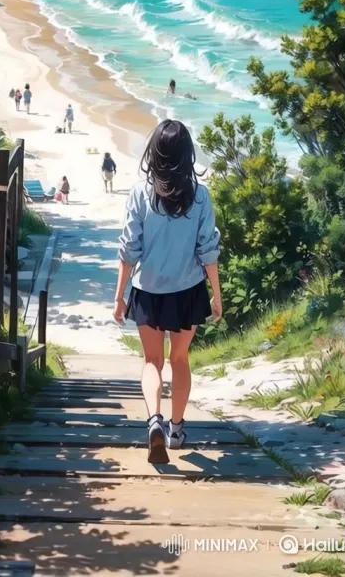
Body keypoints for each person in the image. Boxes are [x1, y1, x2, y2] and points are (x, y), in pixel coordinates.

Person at [113, 119, 222, 465]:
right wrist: (216, 295)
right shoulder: (200, 196)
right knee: (179, 359)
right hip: (187, 290)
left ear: (155, 152)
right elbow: (208, 250)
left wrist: (119, 295)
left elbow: (130, 249)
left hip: (147, 290)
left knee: (152, 361)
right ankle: (176, 430)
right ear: (187, 154)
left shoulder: (140, 192)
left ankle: (153, 421)